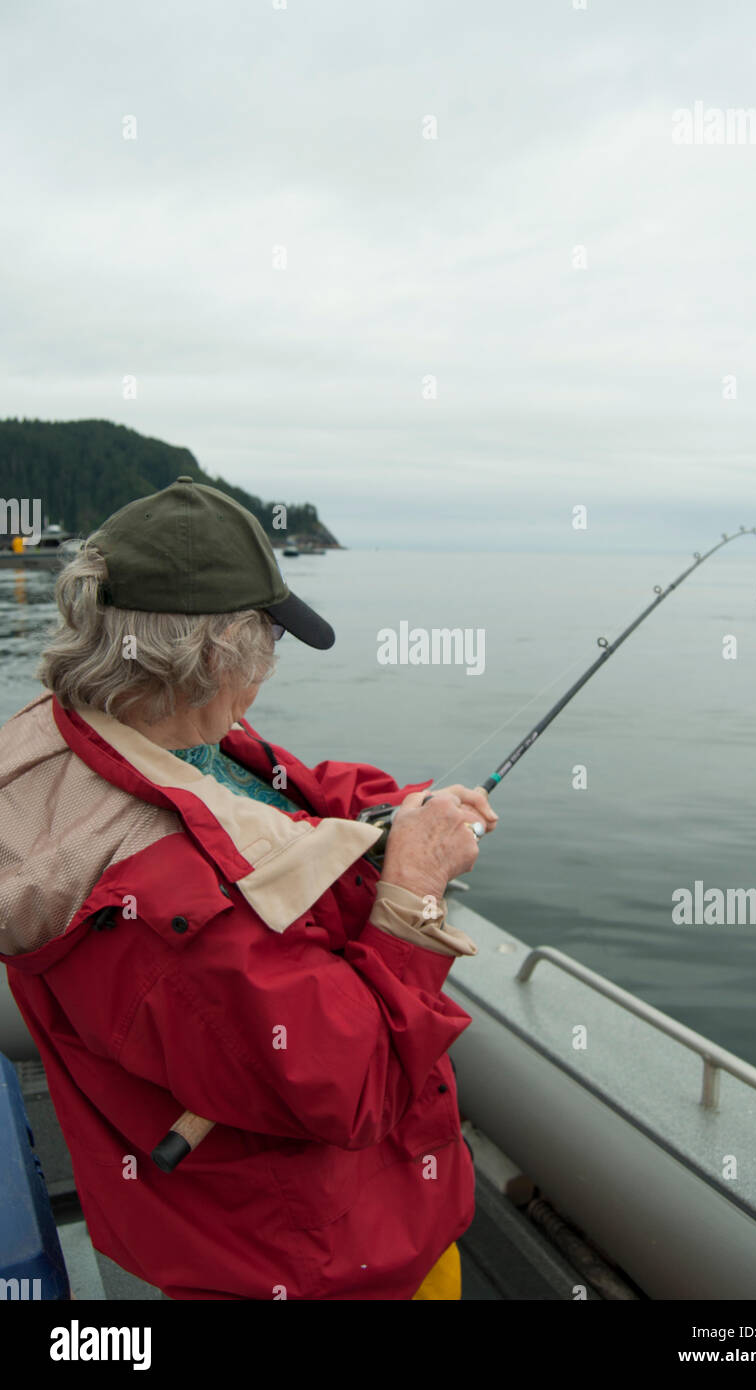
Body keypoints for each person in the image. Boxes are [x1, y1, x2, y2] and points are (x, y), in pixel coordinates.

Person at [0, 477, 498, 1300]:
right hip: (304, 1264)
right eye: (266, 642)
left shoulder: (114, 717)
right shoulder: (152, 906)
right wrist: (411, 889)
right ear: (212, 657)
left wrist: (394, 811)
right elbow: (354, 1084)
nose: (266, 673)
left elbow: (269, 790)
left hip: (269, 1230)